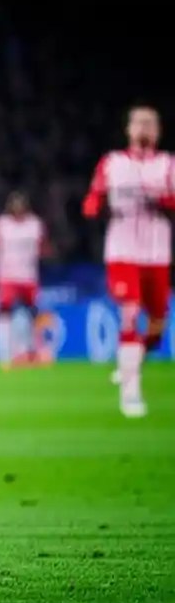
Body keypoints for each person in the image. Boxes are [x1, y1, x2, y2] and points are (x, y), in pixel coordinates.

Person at [82, 105, 174, 418]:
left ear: (158, 131)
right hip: (122, 251)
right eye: (139, 123)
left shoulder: (168, 165)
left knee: (158, 323)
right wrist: (96, 207)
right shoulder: (113, 163)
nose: (144, 128)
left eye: (150, 123)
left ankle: (129, 365)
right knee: (130, 313)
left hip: (157, 253)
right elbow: (92, 199)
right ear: (129, 129)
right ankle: (131, 394)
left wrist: (161, 201)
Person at [0, 191, 48, 368]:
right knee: (4, 311)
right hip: (7, 275)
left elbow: (43, 248)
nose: (18, 209)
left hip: (28, 275)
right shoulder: (0, 224)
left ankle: (33, 351)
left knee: (33, 313)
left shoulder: (35, 224)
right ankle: (4, 354)